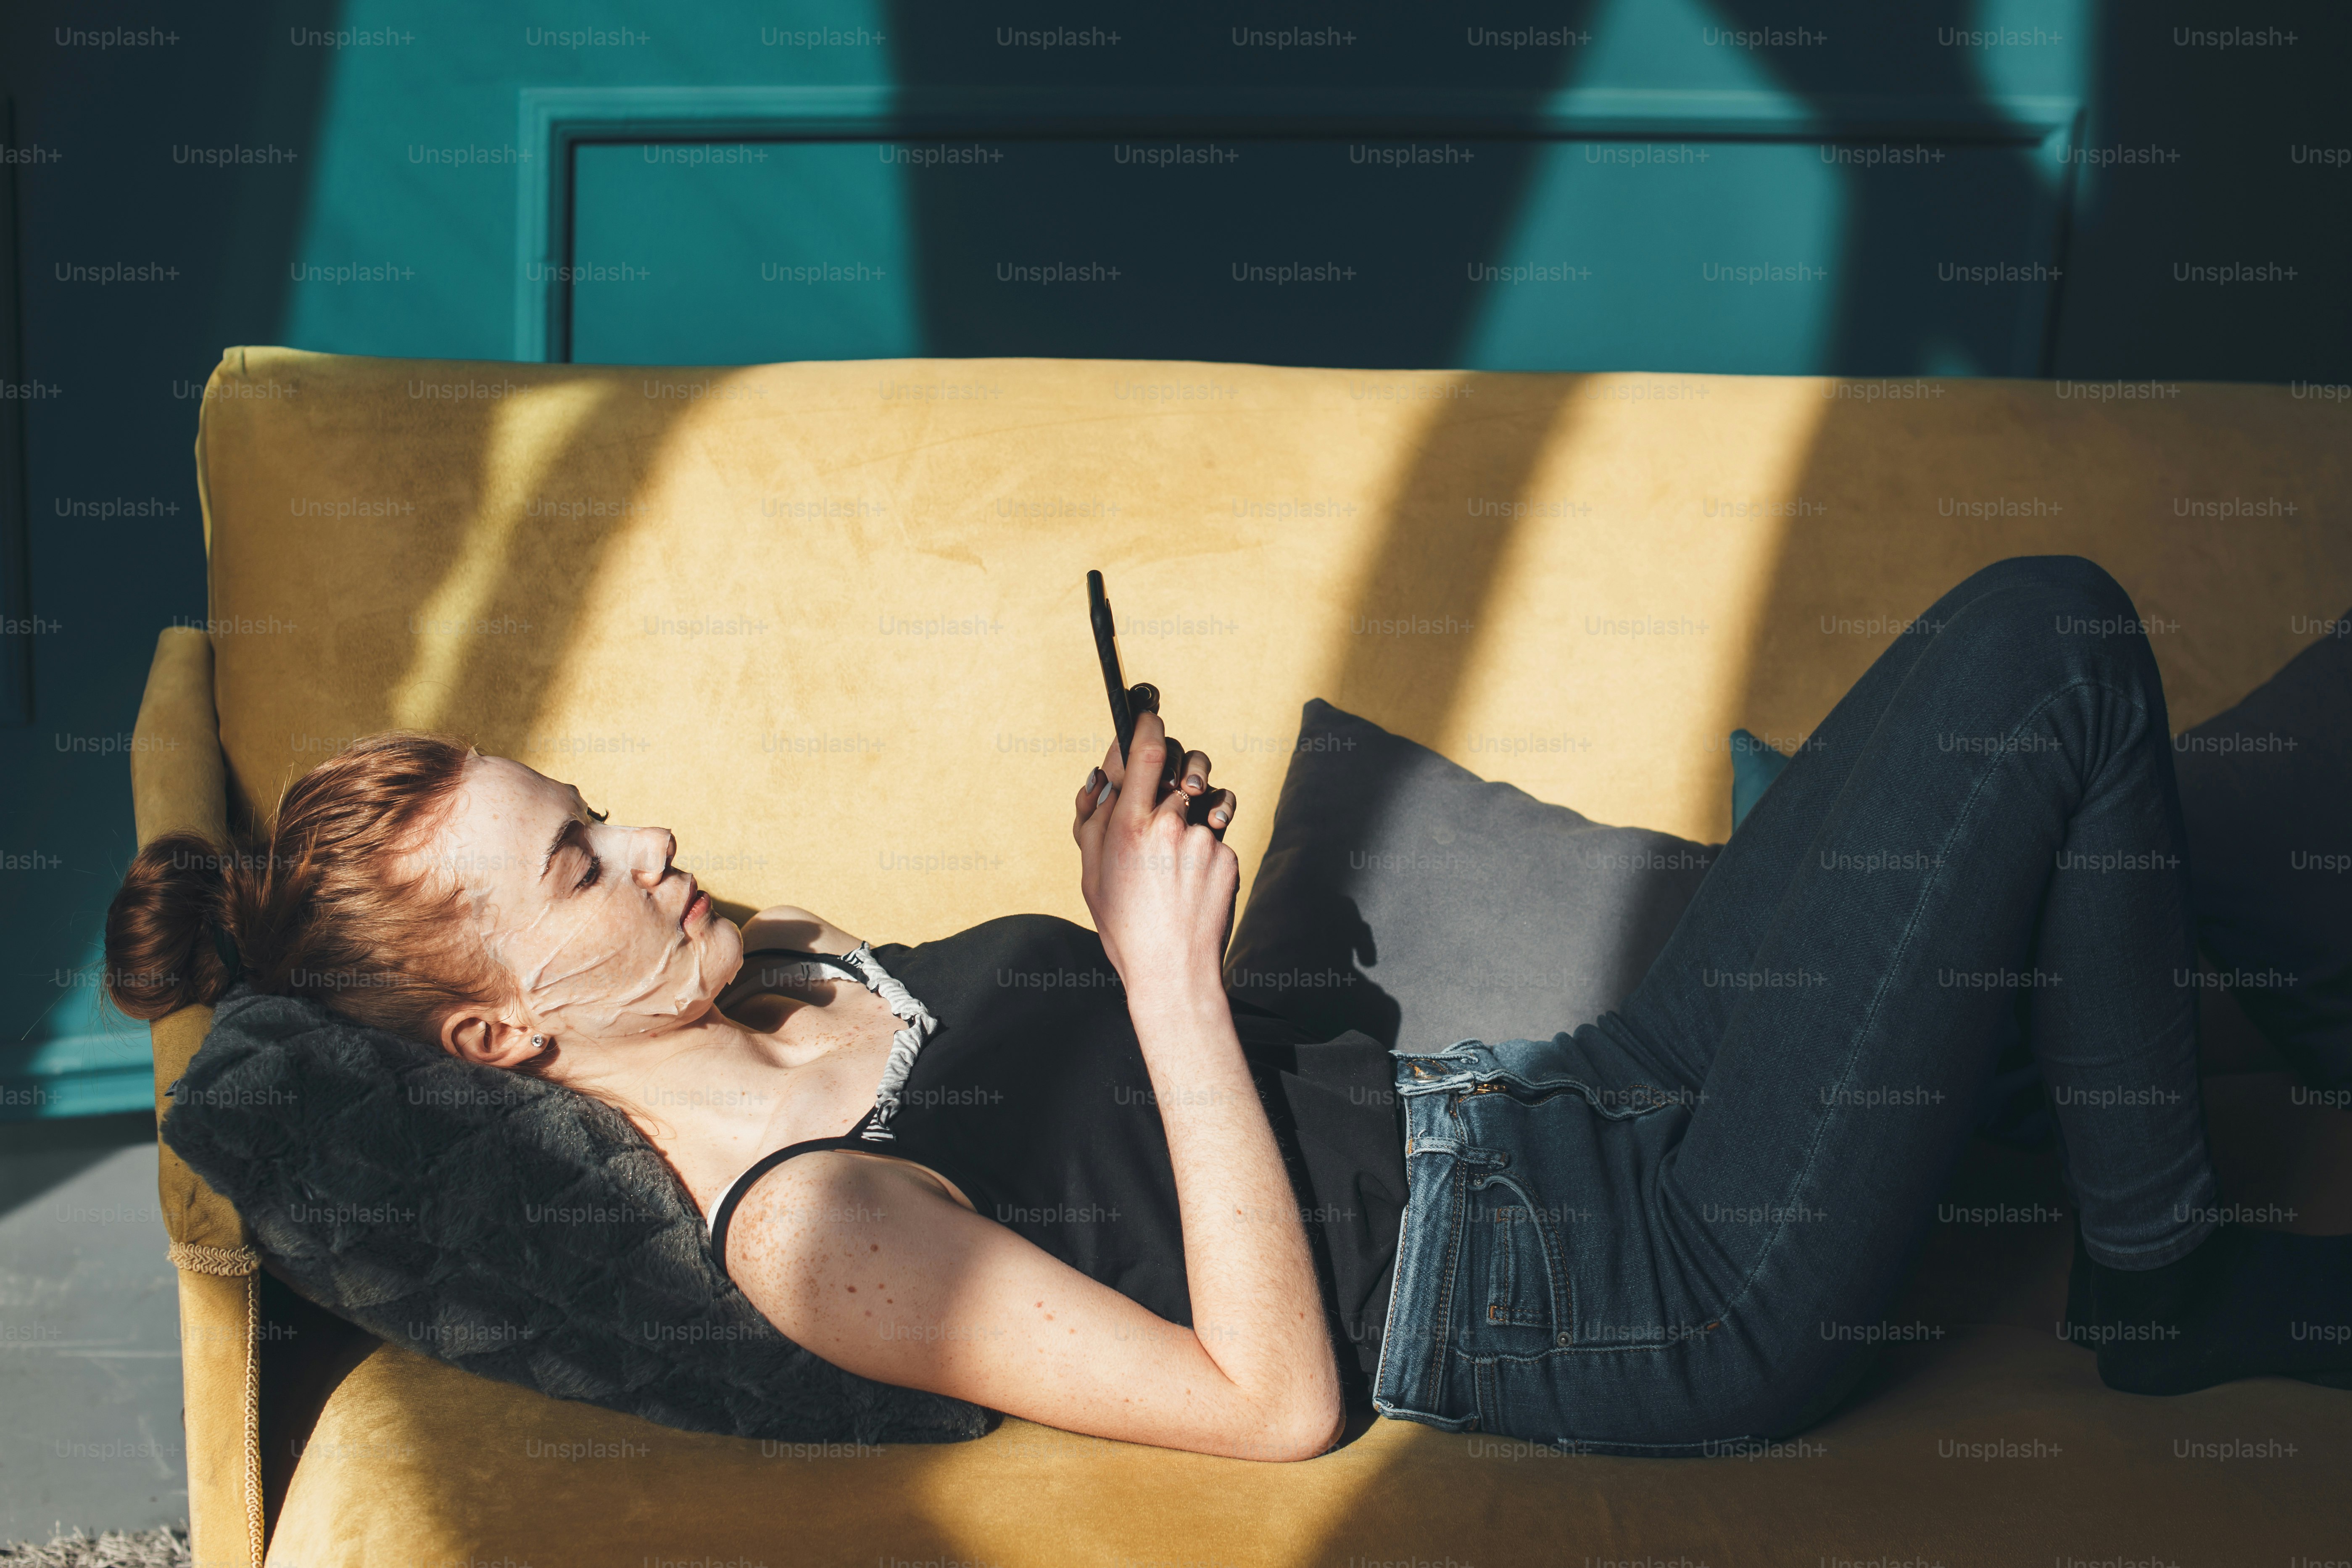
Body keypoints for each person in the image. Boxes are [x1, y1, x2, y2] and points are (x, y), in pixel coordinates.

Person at [105, 556, 2350, 1462]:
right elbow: (1272, 1399)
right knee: (2055, 647)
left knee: (2037, 665)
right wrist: (1170, 970)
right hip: (1636, 1285)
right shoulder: (801, 1232)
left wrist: (1127, 876)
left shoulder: (776, 984)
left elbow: (1101, 1099)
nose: (656, 842)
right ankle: (2157, 1264)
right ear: (499, 1036)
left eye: (596, 807)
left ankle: (2108, 1138)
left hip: (1574, 1094)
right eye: (581, 864)